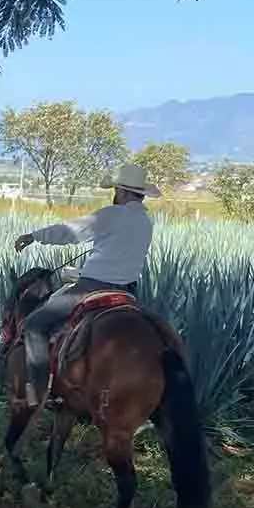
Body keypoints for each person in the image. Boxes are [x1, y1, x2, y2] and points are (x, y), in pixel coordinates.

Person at [12, 162, 158, 408]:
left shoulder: (112, 214)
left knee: (36, 324)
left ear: (121, 191)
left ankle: (39, 391)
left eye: (115, 190)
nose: (114, 195)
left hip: (91, 288)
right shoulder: (147, 221)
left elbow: (69, 231)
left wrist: (34, 236)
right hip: (127, 292)